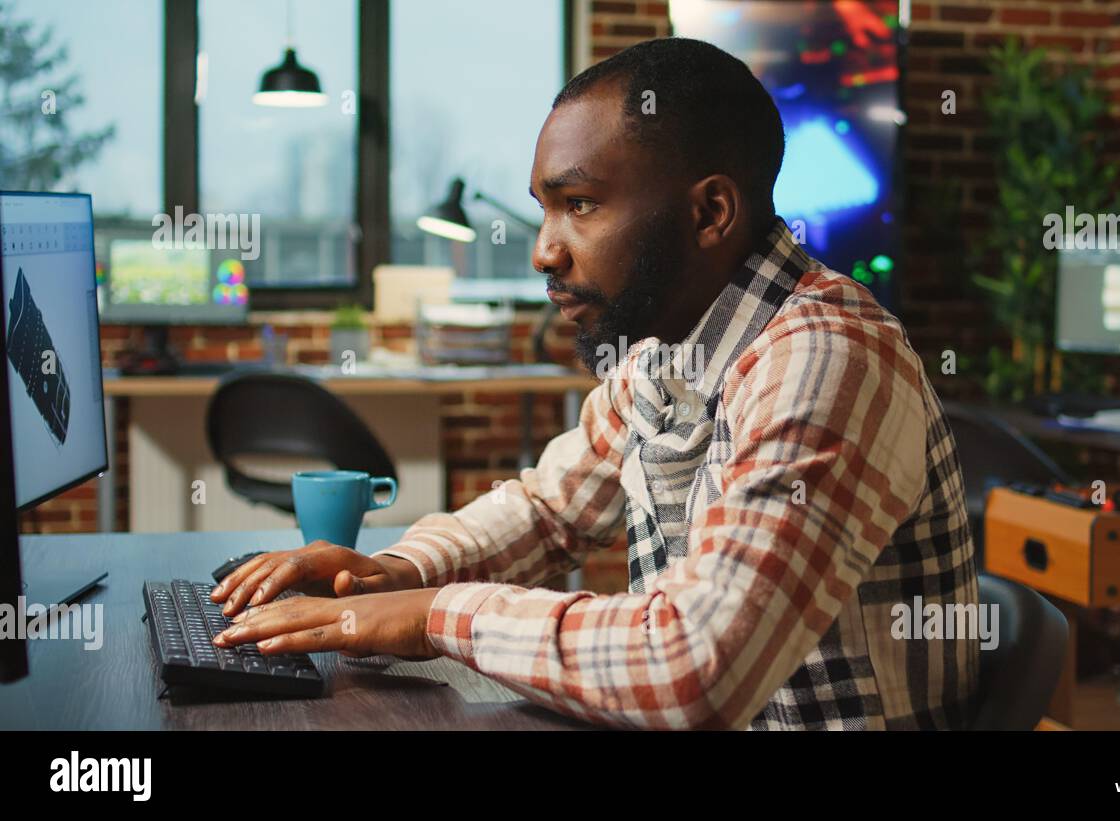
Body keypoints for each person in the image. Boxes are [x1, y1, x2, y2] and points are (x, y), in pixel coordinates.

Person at [211, 36, 979, 730]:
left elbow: (692, 670)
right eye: (546, 209)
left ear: (710, 211)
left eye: (580, 205)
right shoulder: (663, 351)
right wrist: (396, 572)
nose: (545, 251)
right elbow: (549, 512)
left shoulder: (826, 358)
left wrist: (434, 613)